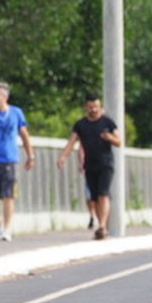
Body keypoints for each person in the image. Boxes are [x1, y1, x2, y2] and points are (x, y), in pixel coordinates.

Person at [57, 93, 121, 240]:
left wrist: (109, 137)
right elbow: (71, 142)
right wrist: (63, 157)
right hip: (90, 164)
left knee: (103, 193)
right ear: (86, 107)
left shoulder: (107, 122)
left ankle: (103, 226)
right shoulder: (80, 125)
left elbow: (119, 141)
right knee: (94, 197)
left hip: (106, 163)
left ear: (100, 107)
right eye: (91, 107)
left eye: (96, 107)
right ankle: (101, 225)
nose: (93, 110)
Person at [0, 81, 34, 242]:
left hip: (8, 160)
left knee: (8, 195)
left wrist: (31, 155)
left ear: (4, 96)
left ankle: (7, 228)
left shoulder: (16, 113)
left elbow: (24, 135)